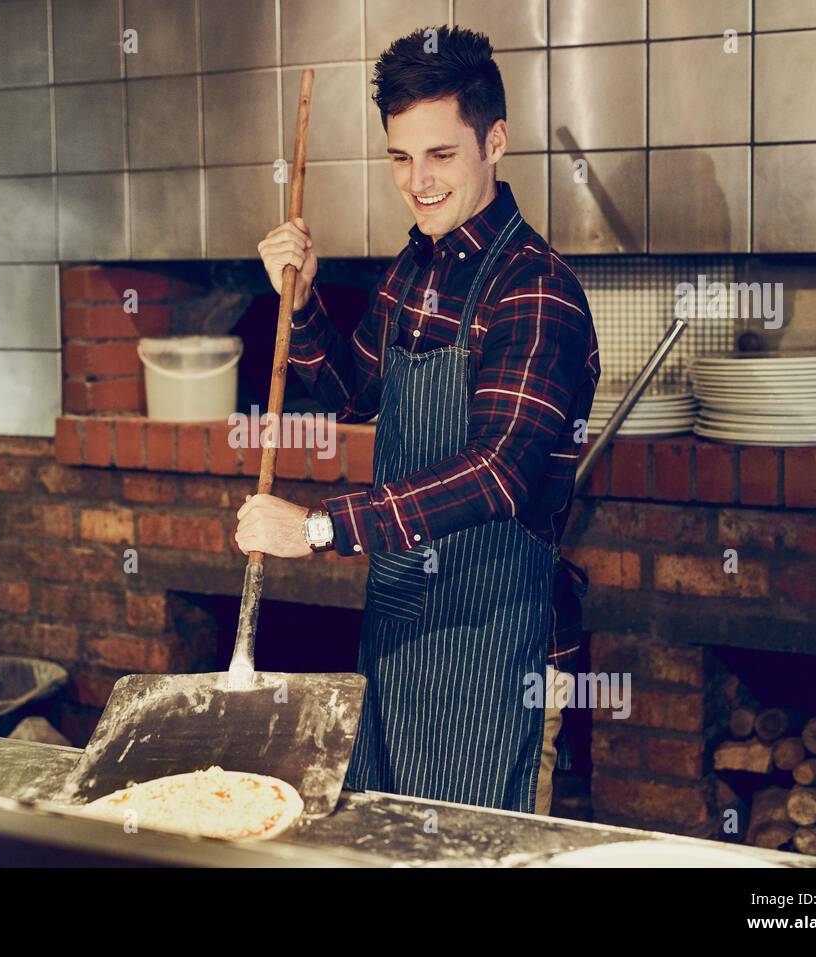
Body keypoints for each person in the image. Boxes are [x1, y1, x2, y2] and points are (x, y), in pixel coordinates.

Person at [235, 25, 599, 815]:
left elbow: (498, 473)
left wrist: (320, 528)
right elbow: (346, 392)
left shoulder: (533, 290)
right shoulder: (415, 271)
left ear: (494, 141)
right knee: (379, 842)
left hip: (492, 645)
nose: (417, 180)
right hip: (398, 633)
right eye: (400, 157)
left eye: (440, 155)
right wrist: (298, 304)